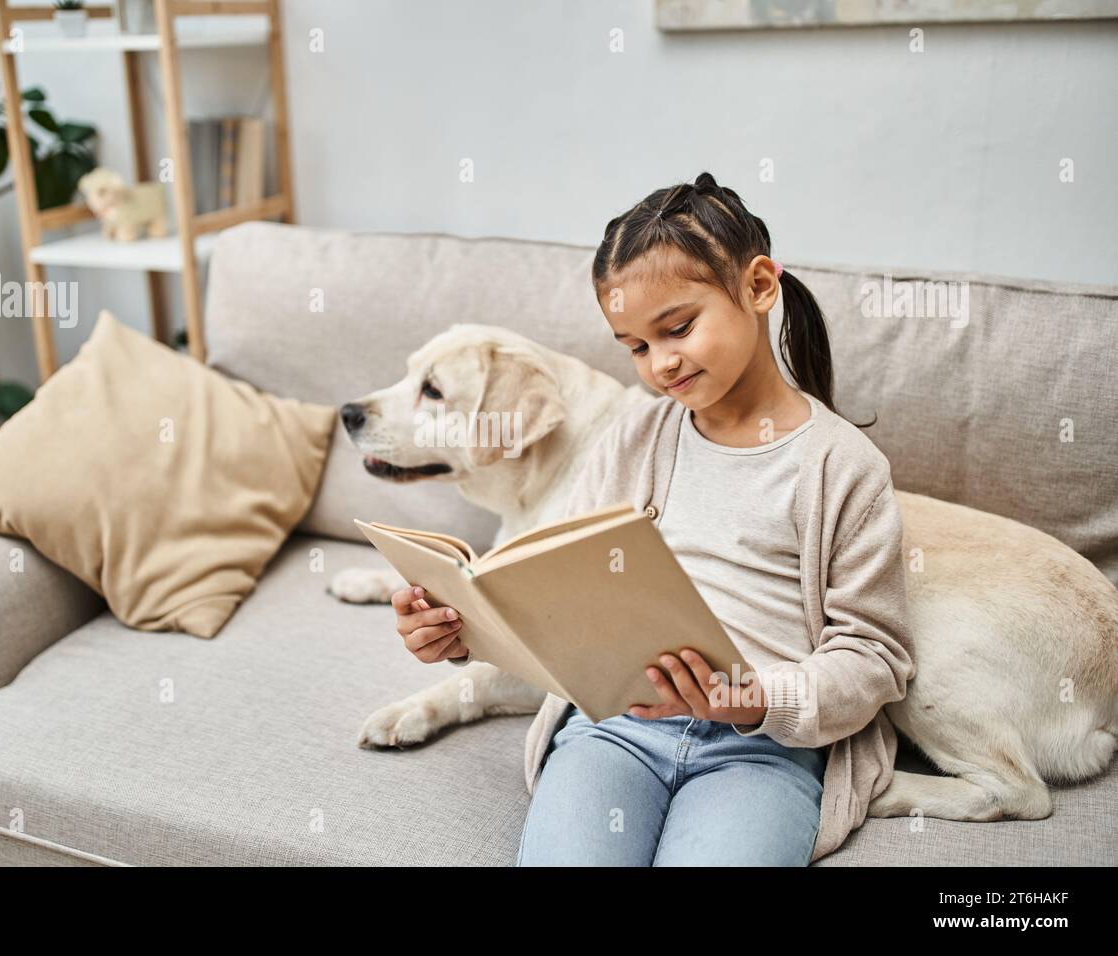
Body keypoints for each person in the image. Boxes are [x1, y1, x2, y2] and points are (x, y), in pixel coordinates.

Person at [390, 171, 914, 866]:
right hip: (613, 732)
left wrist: (758, 698)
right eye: (635, 347)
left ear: (759, 287)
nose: (659, 363)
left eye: (678, 329)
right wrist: (461, 633)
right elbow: (557, 590)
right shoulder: (635, 439)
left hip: (761, 755)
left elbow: (874, 658)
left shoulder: (843, 466)